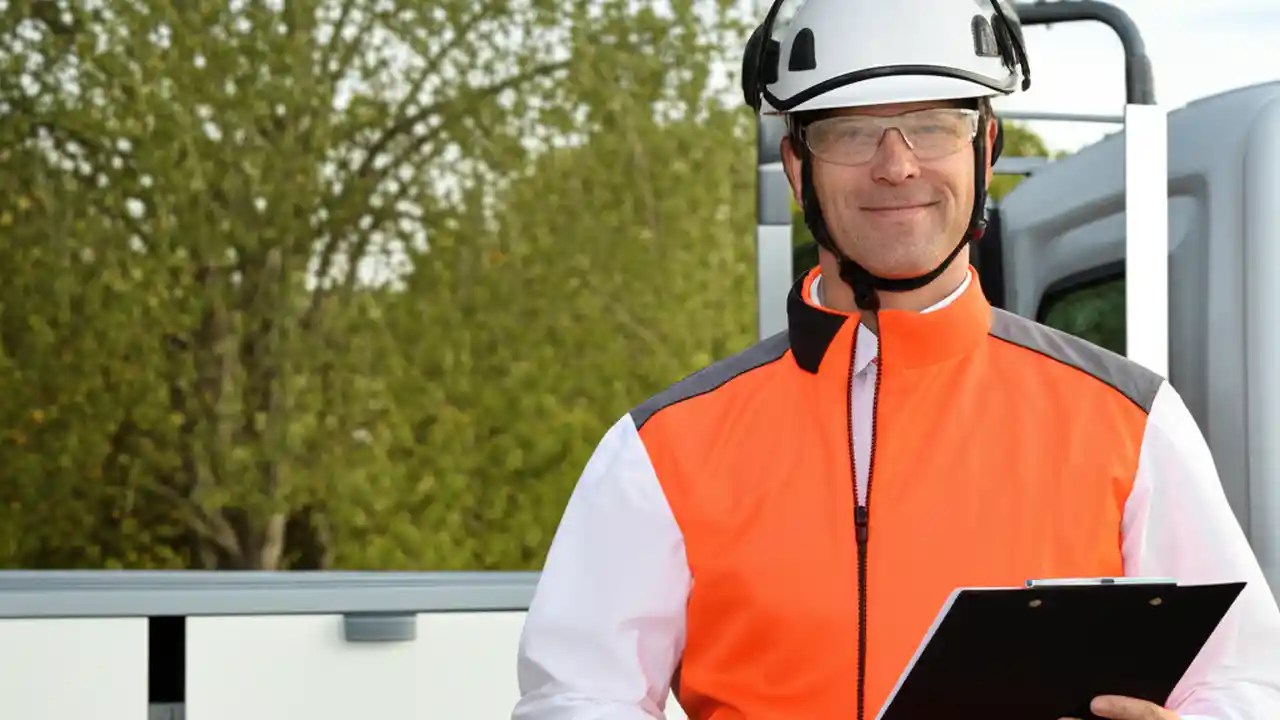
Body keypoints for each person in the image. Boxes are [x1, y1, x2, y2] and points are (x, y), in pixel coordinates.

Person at [511, 0, 1280, 718]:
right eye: (851, 133)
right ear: (797, 166)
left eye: (933, 126)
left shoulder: (1131, 420)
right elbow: (578, 698)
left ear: (985, 148)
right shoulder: (663, 449)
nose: (897, 165)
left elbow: (1241, 678)